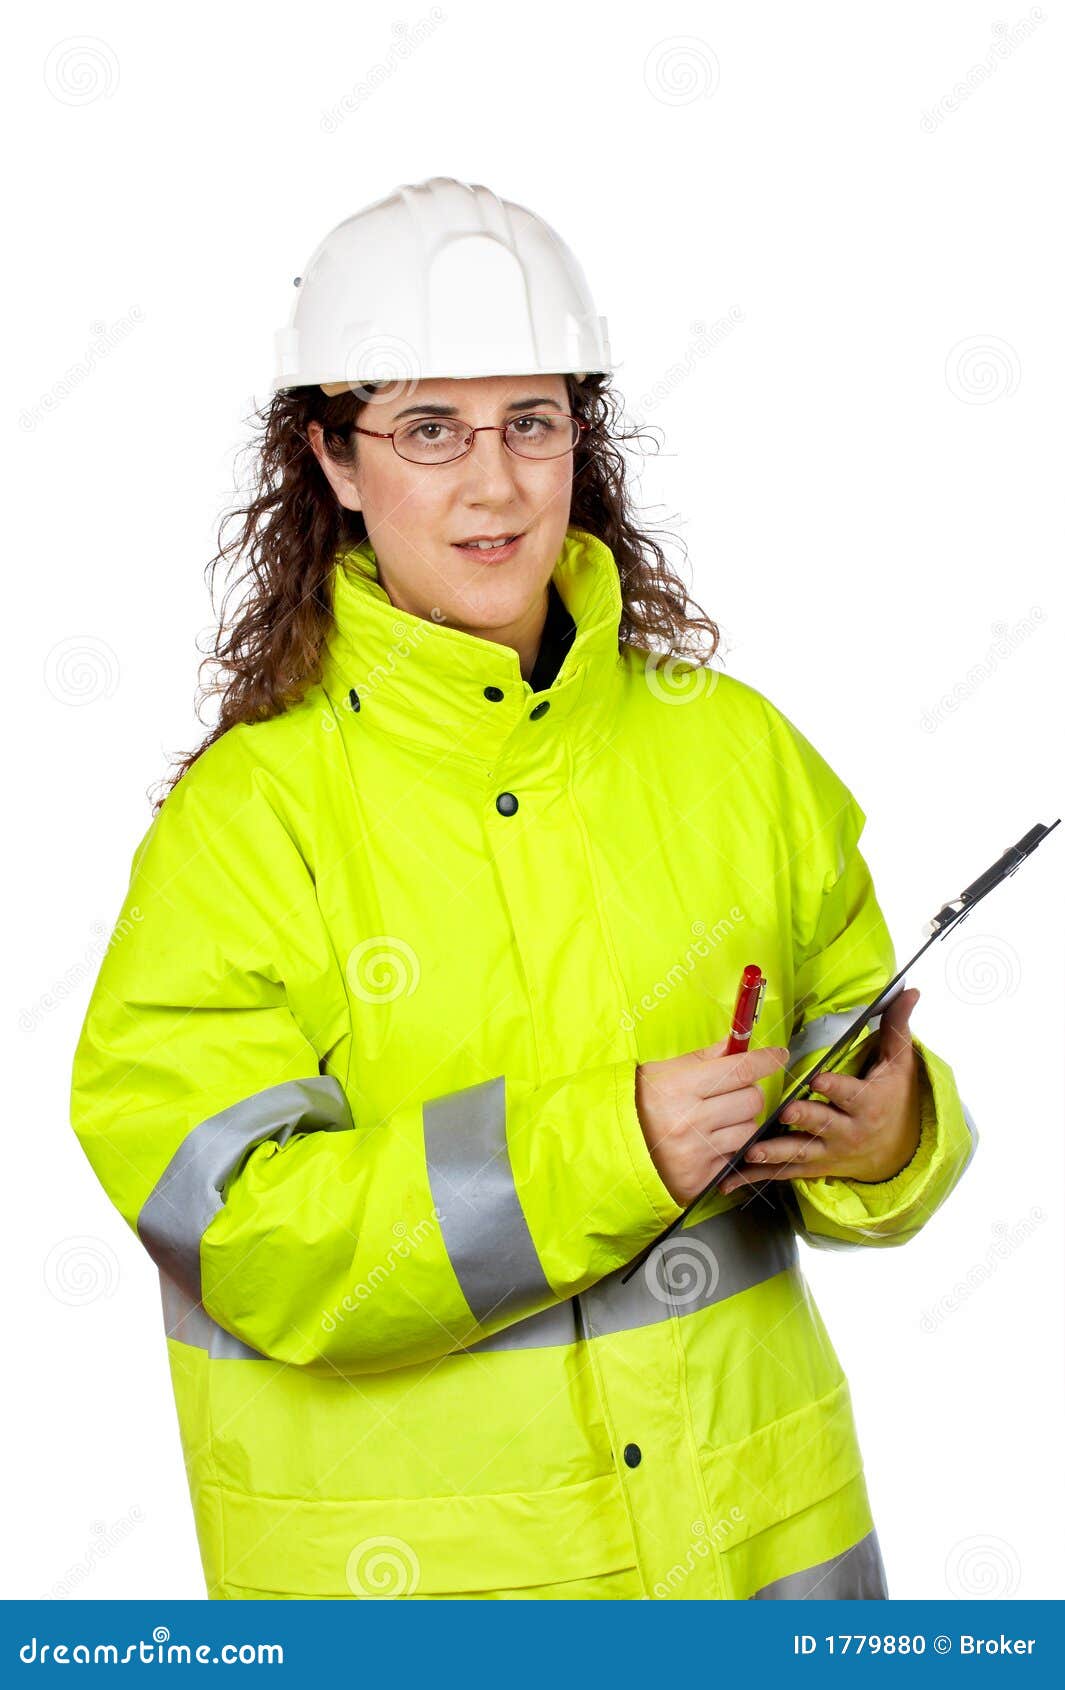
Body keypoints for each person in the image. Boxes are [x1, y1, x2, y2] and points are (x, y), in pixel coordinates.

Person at [68, 177, 978, 1601]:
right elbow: (237, 1228)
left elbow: (854, 1058)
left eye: (532, 422)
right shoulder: (245, 825)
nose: (494, 486)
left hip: (765, 1574)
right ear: (334, 459)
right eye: (430, 428)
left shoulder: (733, 750)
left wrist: (888, 1137)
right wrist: (611, 1147)